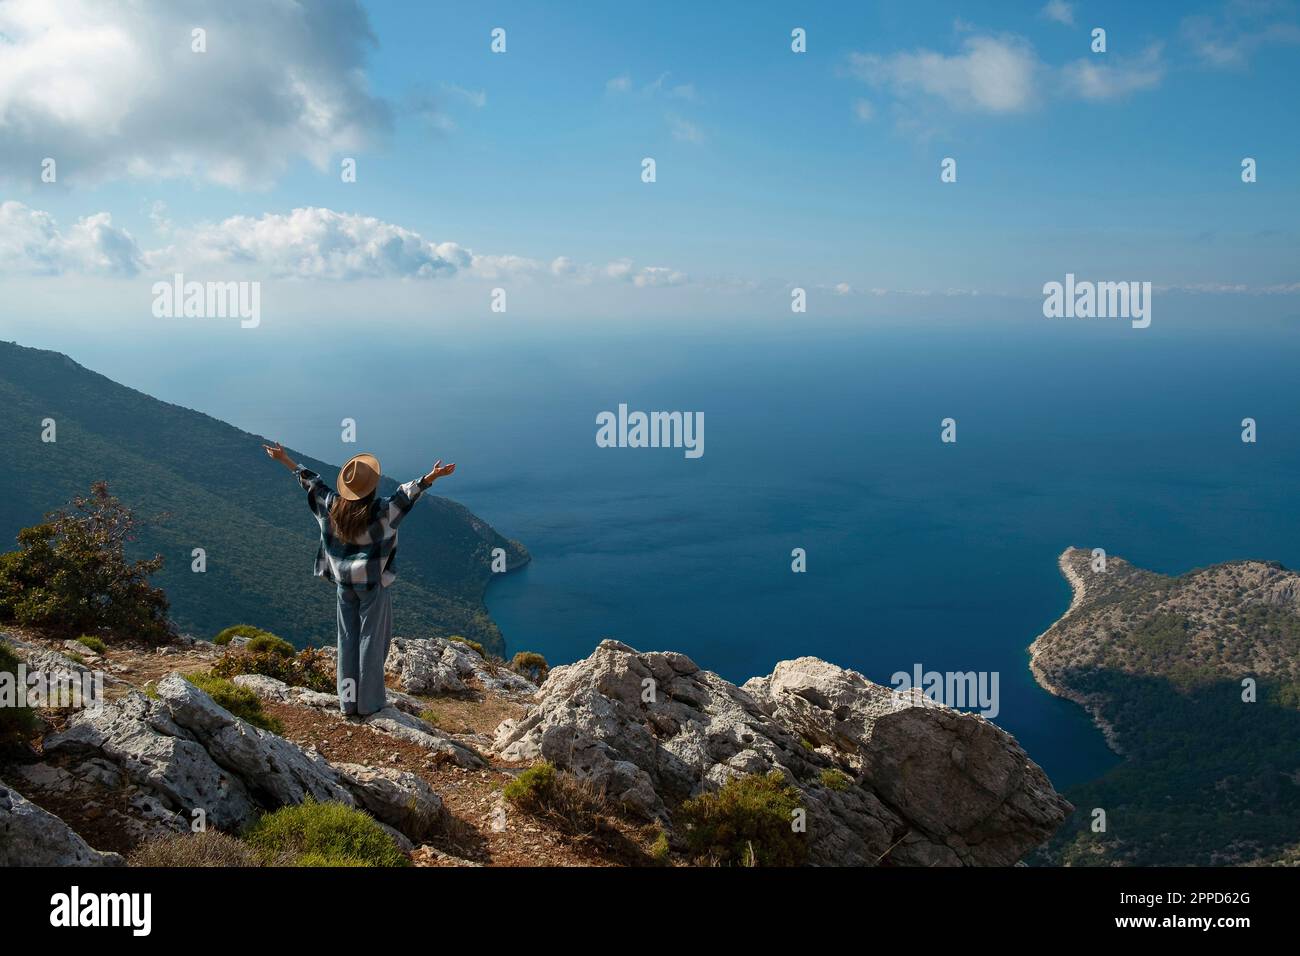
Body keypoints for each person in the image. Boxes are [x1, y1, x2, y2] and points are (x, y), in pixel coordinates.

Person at [262, 441, 455, 717]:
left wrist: (284, 459)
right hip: (372, 587)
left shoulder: (332, 506)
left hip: (343, 586)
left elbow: (312, 483)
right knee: (370, 641)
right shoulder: (383, 512)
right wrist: (432, 477)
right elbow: (406, 494)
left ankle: (348, 702)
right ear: (371, 487)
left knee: (347, 638)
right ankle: (370, 703)